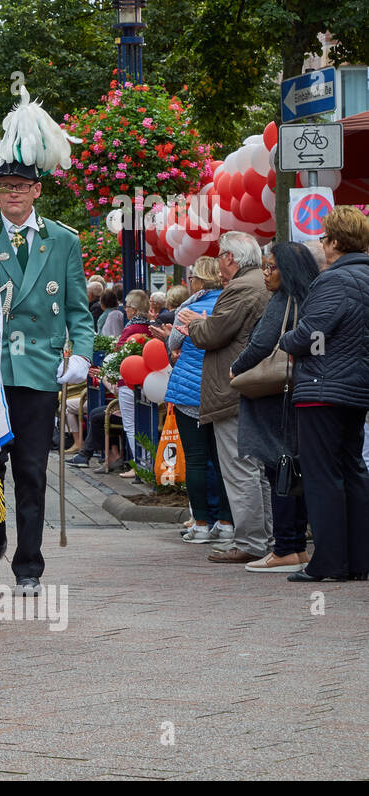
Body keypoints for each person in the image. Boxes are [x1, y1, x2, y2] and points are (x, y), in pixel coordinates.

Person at [0, 86, 94, 593]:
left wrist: (83, 356)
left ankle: (30, 562)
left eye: (21, 187)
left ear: (38, 190)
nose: (12, 194)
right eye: (4, 187)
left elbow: (78, 311)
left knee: (31, 470)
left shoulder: (63, 241)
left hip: (40, 370)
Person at [279, 206, 369, 582]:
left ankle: (329, 562)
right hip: (355, 388)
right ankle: (358, 560)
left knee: (322, 476)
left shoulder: (336, 280)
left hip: (322, 387)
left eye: (323, 238)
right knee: (352, 470)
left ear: (334, 241)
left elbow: (311, 335)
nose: (321, 244)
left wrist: (288, 339)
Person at [182, 231, 272, 565]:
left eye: (220, 255)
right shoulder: (259, 284)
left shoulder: (240, 288)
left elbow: (213, 334)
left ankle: (250, 540)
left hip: (232, 388)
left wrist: (195, 324)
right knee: (255, 467)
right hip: (251, 387)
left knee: (239, 467)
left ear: (230, 258)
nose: (218, 261)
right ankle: (264, 536)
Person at [231, 242, 319, 573]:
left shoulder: (283, 301)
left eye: (271, 267)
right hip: (301, 392)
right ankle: (296, 547)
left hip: (275, 397)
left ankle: (285, 548)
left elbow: (261, 343)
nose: (265, 274)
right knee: (295, 468)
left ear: (288, 271)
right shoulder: (313, 297)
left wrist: (236, 368)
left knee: (279, 469)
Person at [164, 258, 231, 544]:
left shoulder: (188, 308)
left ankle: (201, 523)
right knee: (224, 461)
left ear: (199, 281)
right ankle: (227, 523)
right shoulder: (230, 304)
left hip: (188, 393)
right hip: (222, 388)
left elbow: (173, 346)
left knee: (195, 460)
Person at [114, 289, 153, 478]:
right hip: (148, 382)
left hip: (129, 381)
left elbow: (118, 353)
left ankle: (139, 465)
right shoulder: (150, 327)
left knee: (131, 425)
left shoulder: (131, 328)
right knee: (145, 423)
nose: (125, 310)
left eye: (127, 306)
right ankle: (147, 462)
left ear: (134, 309)